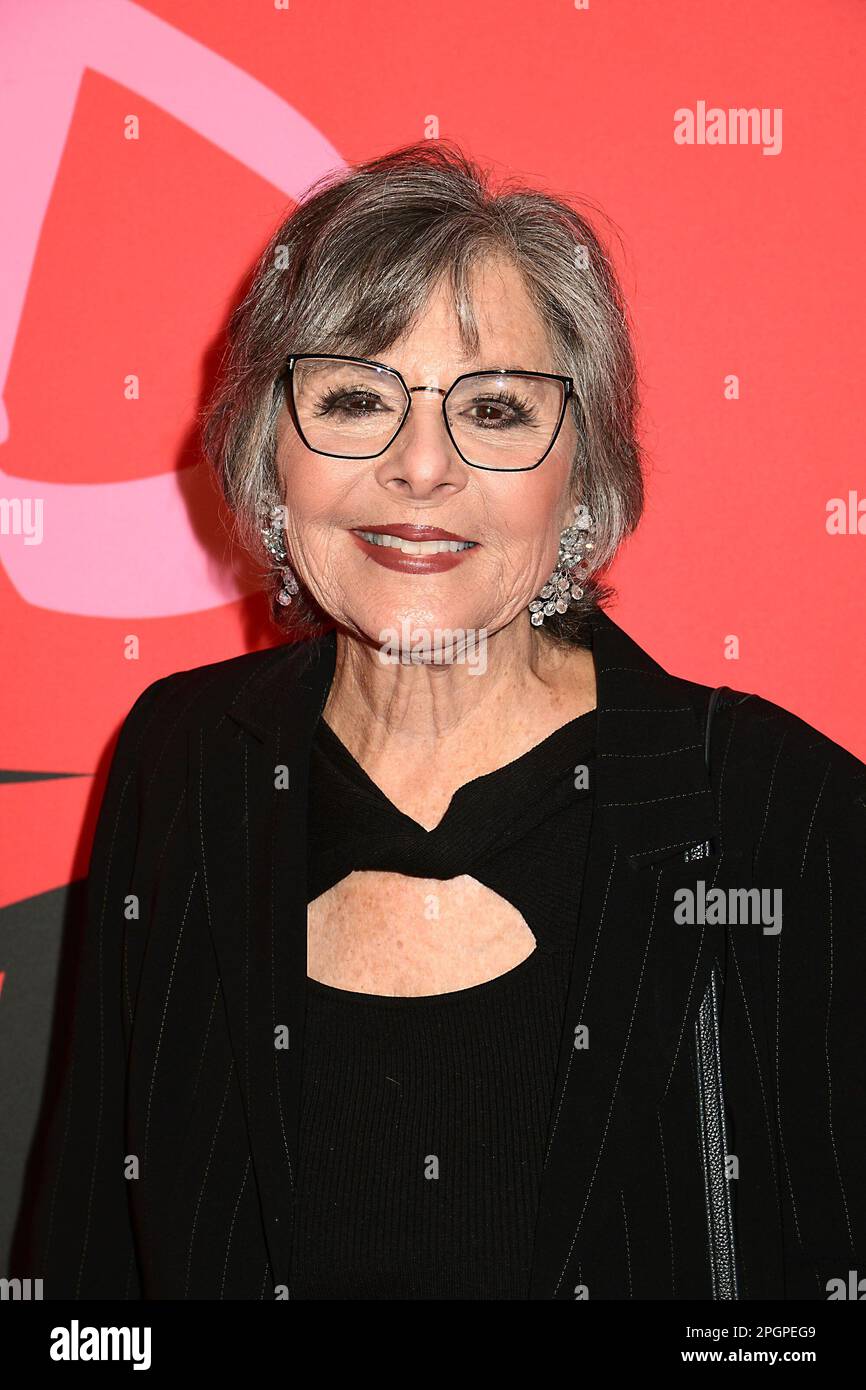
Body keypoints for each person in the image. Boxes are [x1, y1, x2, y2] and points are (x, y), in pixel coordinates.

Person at [21, 141, 866, 1300]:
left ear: (580, 471)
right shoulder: (182, 762)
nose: (421, 466)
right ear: (269, 451)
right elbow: (87, 1274)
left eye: (497, 409)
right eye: (358, 398)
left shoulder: (781, 814)